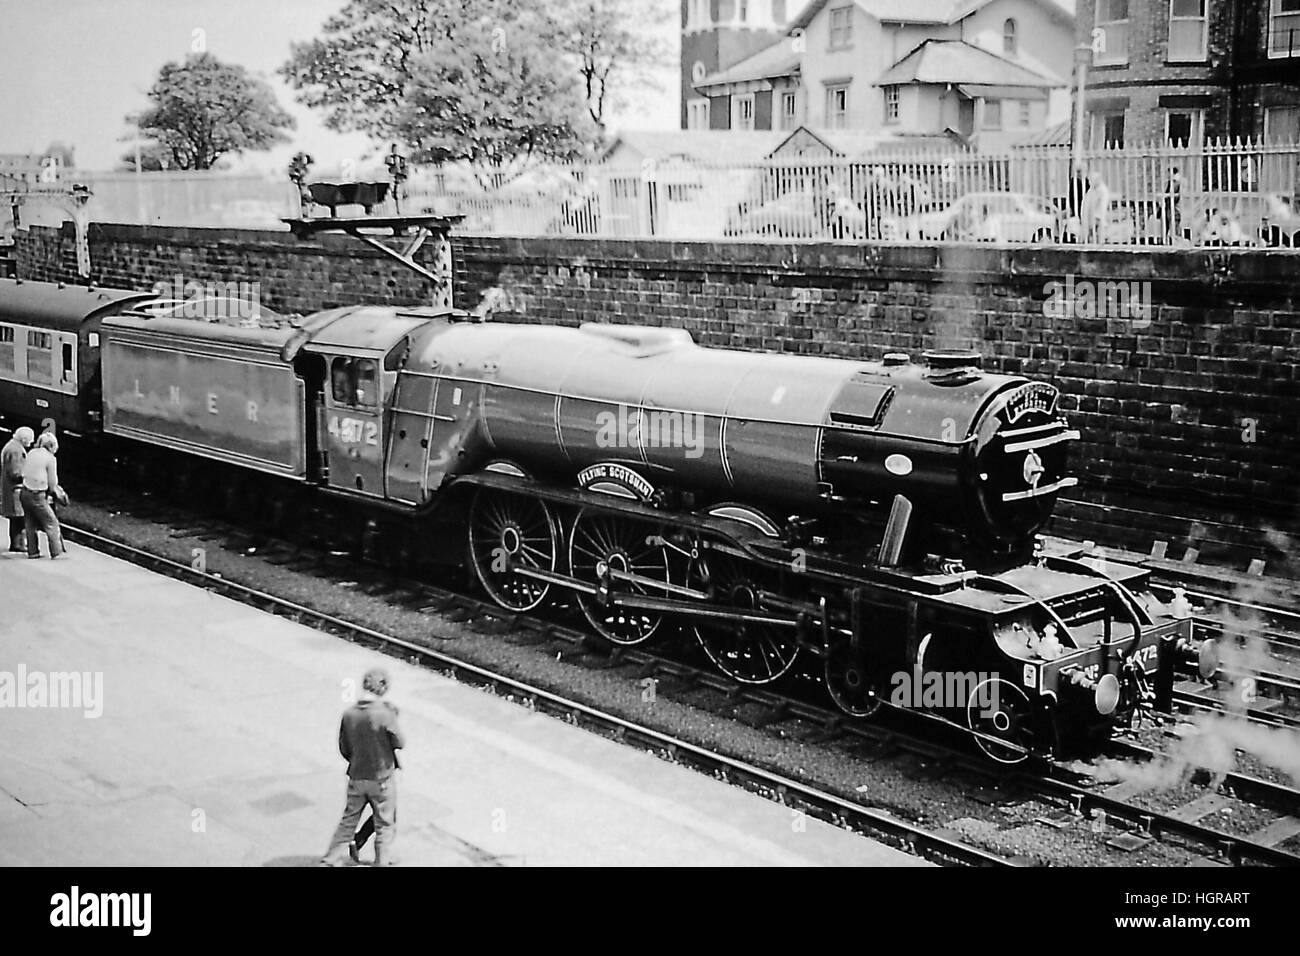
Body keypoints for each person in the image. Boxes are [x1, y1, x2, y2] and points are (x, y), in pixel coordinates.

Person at [320, 667, 405, 866]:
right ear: (383, 686)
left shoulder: (349, 714)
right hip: (382, 777)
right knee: (384, 823)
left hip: (356, 776)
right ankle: (382, 861)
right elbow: (400, 742)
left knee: (348, 821)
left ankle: (329, 861)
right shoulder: (385, 714)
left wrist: (357, 760)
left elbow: (344, 747)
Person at [20, 432, 68, 559]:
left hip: (24, 492)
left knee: (30, 523)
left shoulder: (31, 452)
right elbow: (52, 483)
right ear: (52, 446)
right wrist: (57, 493)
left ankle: (33, 552)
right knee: (51, 523)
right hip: (37, 494)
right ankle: (57, 553)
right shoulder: (50, 458)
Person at [1, 427, 34, 552]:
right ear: (24, 439)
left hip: (10, 488)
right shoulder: (16, 451)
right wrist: (29, 476)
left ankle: (17, 543)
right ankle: (18, 544)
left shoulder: (11, 446)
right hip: (15, 490)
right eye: (30, 440)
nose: (31, 442)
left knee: (16, 519)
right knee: (18, 519)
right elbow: (16, 473)